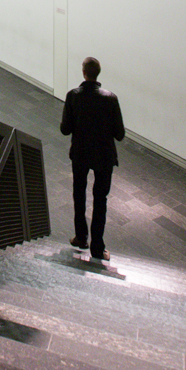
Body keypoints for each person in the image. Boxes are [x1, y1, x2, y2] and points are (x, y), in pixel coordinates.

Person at [60, 57, 125, 265]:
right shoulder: (111, 98)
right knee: (100, 200)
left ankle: (81, 238)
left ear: (84, 73)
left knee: (79, 195)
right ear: (98, 74)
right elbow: (120, 134)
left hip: (80, 154)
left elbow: (65, 129)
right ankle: (98, 247)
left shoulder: (73, 96)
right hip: (104, 157)